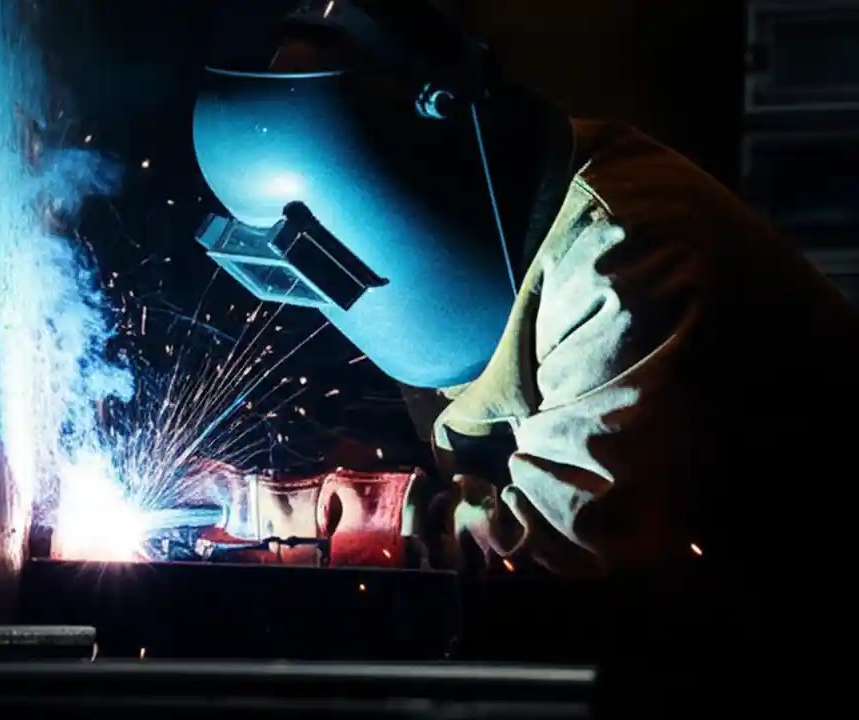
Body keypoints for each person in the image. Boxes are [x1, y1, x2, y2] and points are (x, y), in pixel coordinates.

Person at [191, 0, 859, 711]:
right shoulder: (468, 260)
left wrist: (355, 514)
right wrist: (277, 495)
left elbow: (552, 561)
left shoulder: (622, 260)